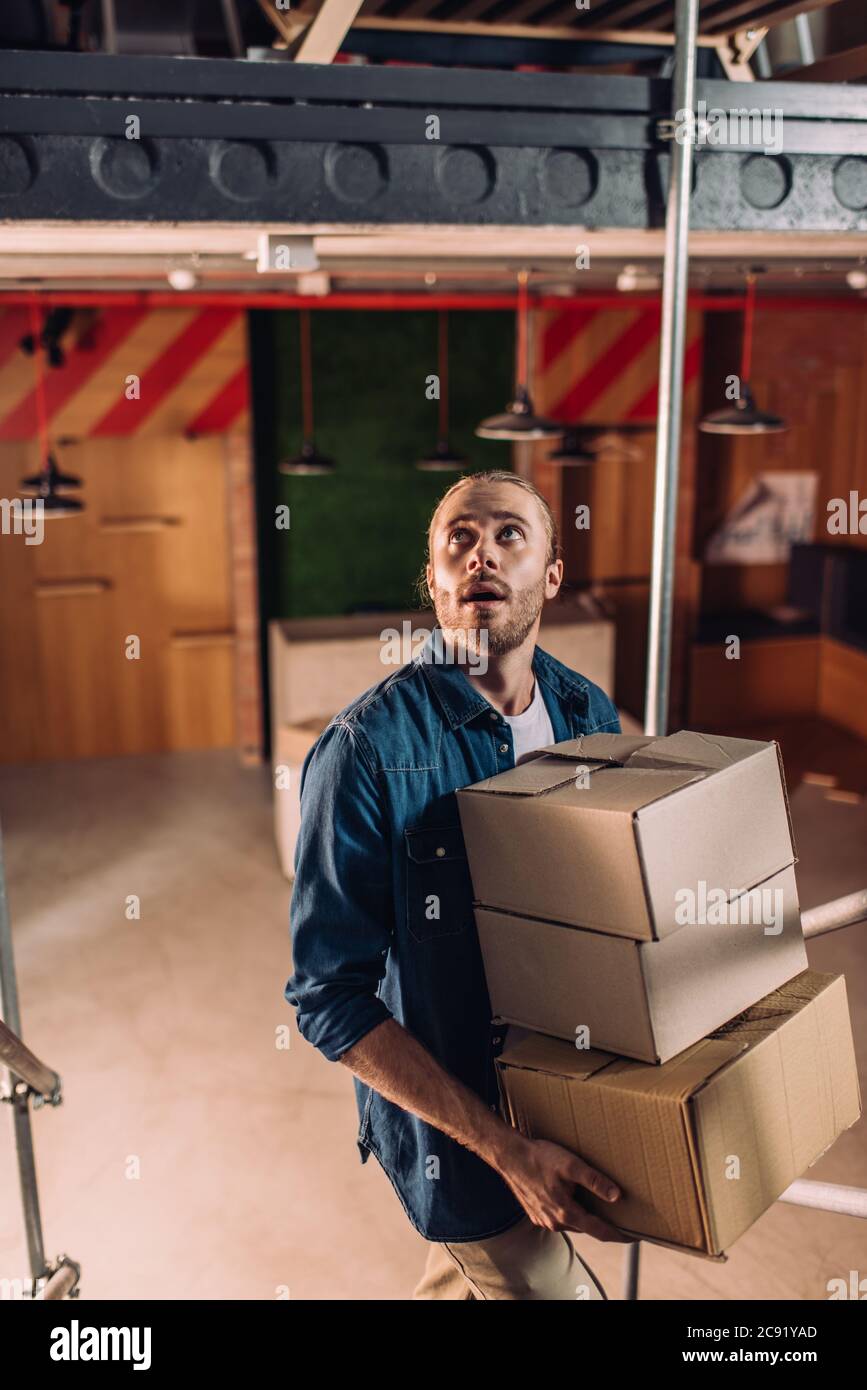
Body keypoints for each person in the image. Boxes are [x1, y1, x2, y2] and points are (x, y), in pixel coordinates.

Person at [285, 469, 631, 1300]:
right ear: (433, 582)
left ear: (550, 576)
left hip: (562, 1084)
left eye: (509, 535)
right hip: (458, 1129)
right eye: (459, 540)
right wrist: (506, 1152)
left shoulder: (589, 715)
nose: (481, 555)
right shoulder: (364, 751)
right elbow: (328, 997)